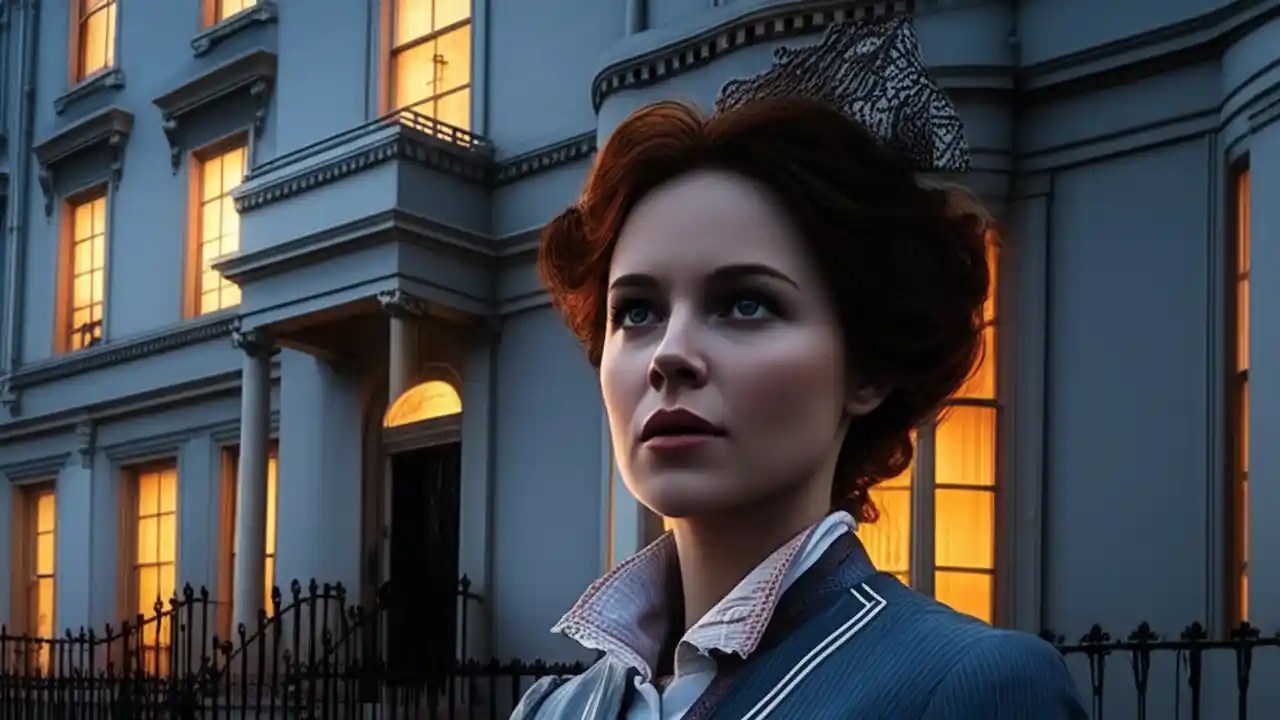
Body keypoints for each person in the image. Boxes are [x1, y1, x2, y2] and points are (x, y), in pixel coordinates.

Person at [513, 15, 1088, 720]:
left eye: (745, 304)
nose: (669, 355)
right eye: (636, 311)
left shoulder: (971, 688)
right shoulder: (553, 710)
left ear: (867, 368)